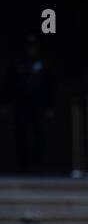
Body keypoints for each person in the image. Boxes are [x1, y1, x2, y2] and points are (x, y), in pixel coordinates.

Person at [3, 34, 53, 171]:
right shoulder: (18, 64)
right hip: (21, 103)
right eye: (29, 48)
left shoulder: (43, 64)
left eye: (34, 48)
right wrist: (5, 103)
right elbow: (9, 83)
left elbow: (49, 85)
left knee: (39, 133)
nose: (31, 51)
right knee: (21, 133)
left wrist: (49, 106)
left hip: (38, 104)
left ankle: (37, 163)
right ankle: (23, 163)